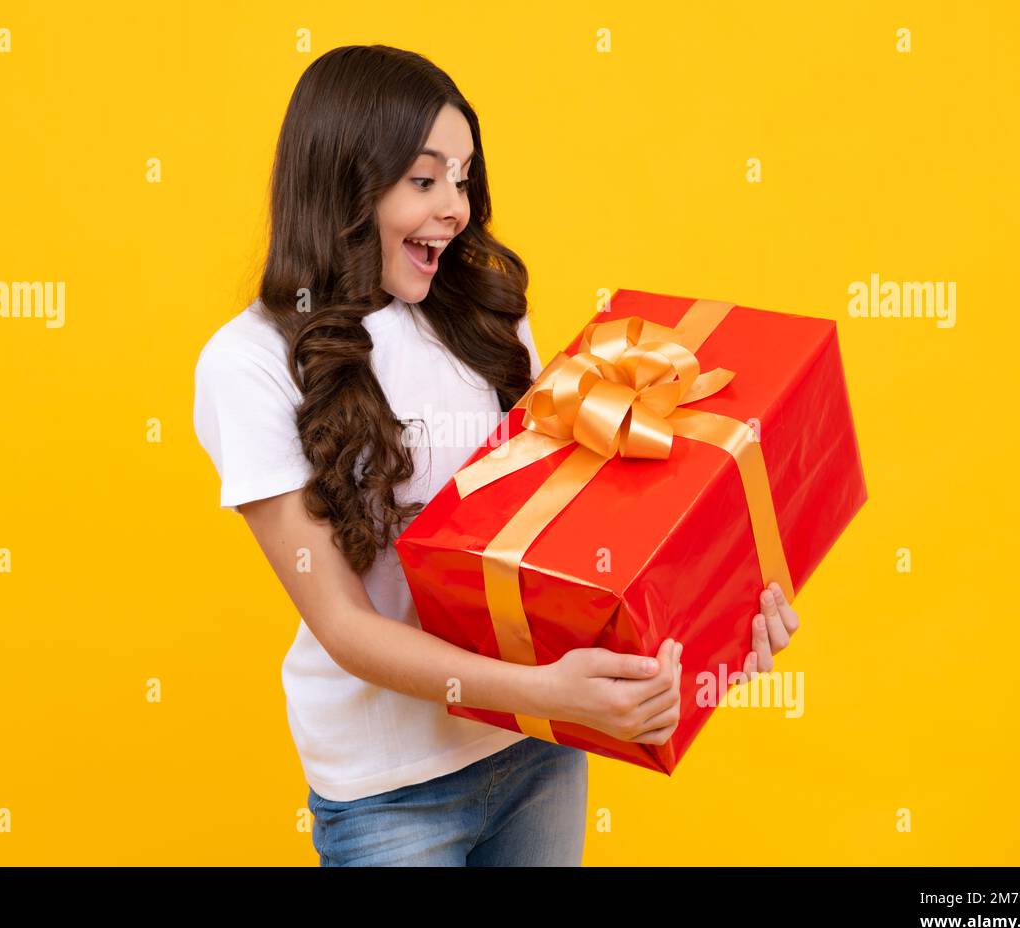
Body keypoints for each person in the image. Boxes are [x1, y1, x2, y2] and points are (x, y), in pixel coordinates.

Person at [192, 44, 799, 866]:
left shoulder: (481, 317)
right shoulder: (250, 363)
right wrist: (543, 692)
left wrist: (716, 630)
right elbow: (341, 623)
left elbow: (561, 536)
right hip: (390, 792)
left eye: (464, 177)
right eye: (424, 179)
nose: (456, 207)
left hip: (539, 750)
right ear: (343, 182)